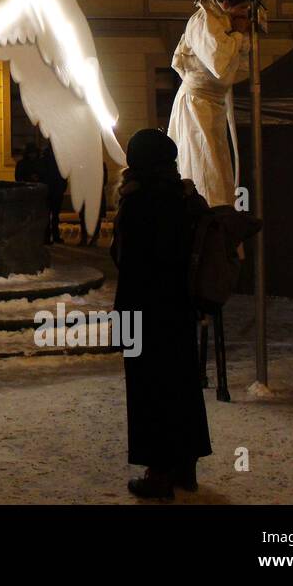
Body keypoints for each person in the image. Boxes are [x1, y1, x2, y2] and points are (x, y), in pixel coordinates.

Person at [111, 128, 212, 499]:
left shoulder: (139, 201)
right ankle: (185, 467)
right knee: (182, 385)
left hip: (141, 311)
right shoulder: (183, 198)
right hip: (178, 310)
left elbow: (126, 259)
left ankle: (158, 473)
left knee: (148, 391)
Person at [167, 0, 257, 208]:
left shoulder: (224, 22)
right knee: (204, 165)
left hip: (213, 103)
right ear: (226, 4)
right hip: (197, 103)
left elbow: (239, 70)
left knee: (217, 167)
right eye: (242, 9)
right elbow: (219, 61)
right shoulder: (203, 21)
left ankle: (219, 215)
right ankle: (208, 215)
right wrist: (237, 35)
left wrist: (240, 37)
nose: (245, 16)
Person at [41, 142, 66, 244]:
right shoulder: (46, 160)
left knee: (54, 215)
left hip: (55, 191)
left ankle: (54, 236)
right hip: (50, 191)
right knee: (48, 215)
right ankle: (48, 237)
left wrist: (62, 188)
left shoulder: (58, 159)